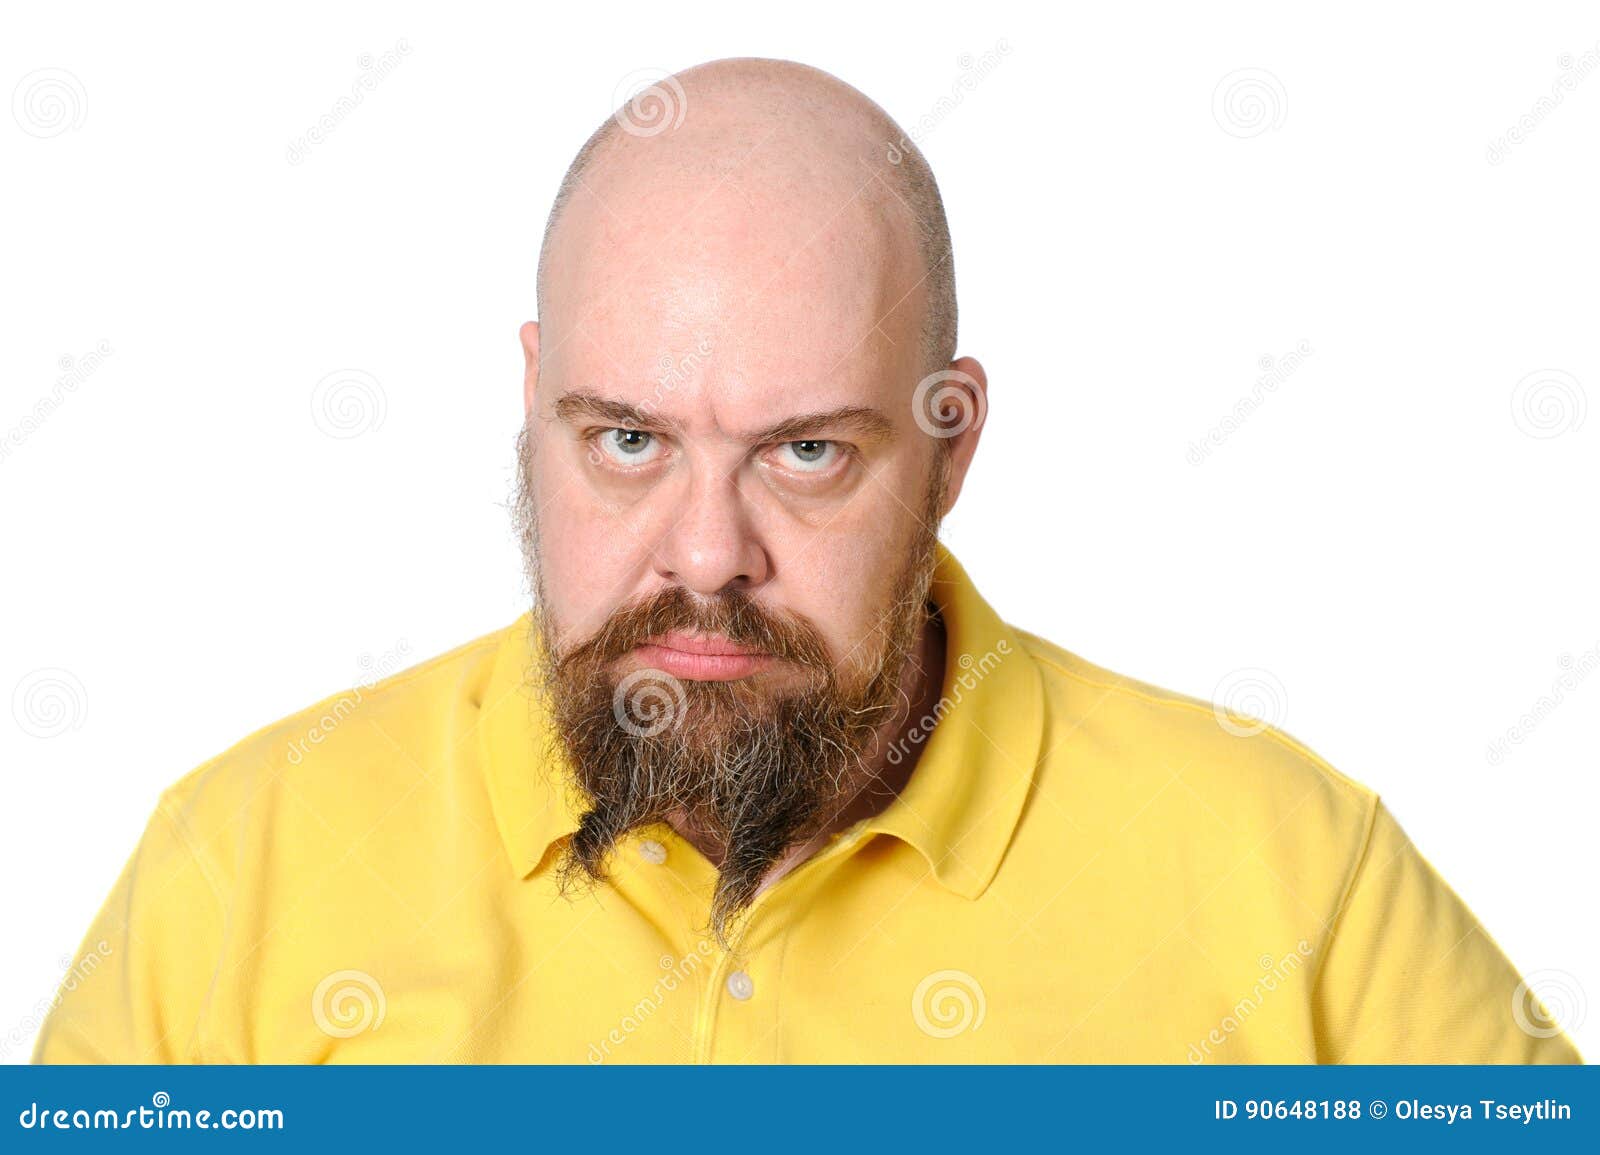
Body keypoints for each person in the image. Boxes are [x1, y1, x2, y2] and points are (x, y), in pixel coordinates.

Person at [34, 58, 1581, 1064]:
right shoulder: (234, 874)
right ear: (532, 410)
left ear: (951, 445)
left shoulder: (1298, 879)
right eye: (626, 442)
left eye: (808, 453)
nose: (707, 555)